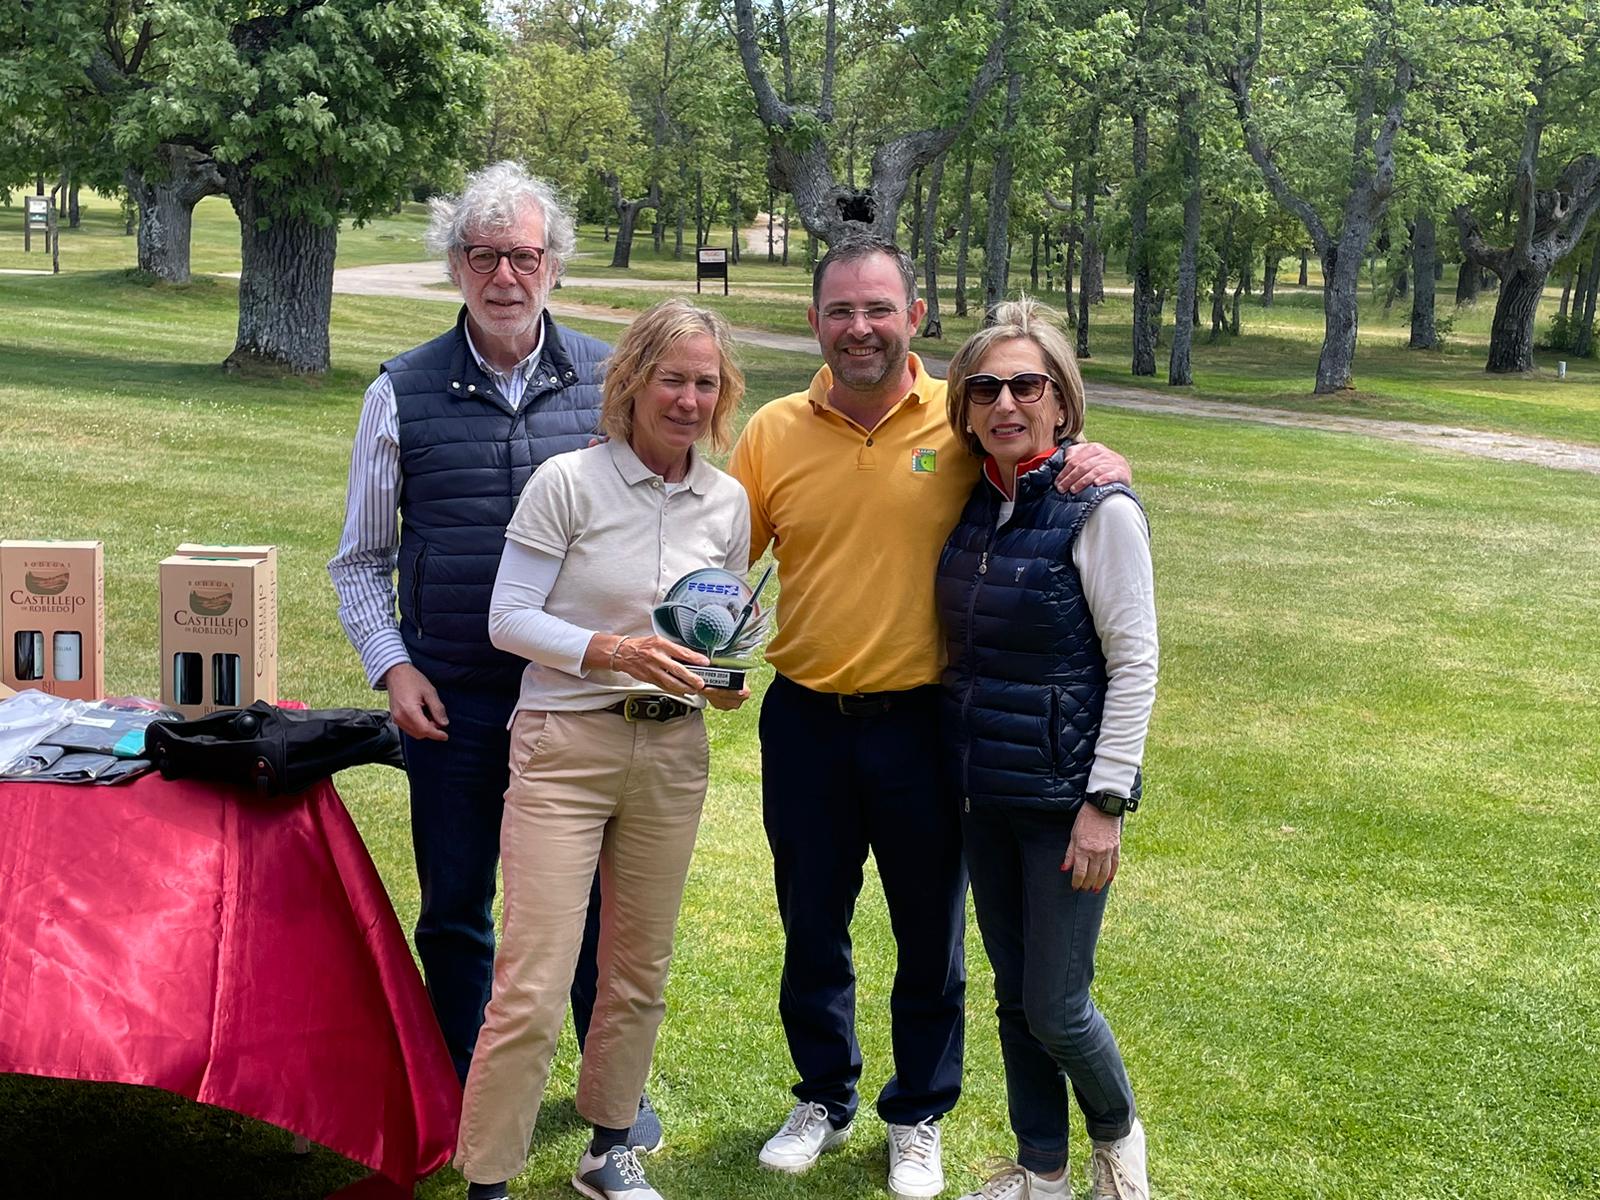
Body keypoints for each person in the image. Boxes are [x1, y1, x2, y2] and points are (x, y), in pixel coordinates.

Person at [726, 235, 1131, 1199]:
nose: (858, 328)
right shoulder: (774, 430)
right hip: (807, 720)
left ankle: (919, 1114)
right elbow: (715, 562)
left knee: (929, 932)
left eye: (878, 309)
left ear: (915, 317)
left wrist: (1096, 455)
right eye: (839, 311)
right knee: (811, 920)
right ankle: (824, 1094)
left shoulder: (959, 419)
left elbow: (1038, 453)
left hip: (926, 724)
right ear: (814, 321)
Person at [329, 161, 658, 1148]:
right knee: (459, 910)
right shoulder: (401, 392)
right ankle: (466, 1094)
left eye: (524, 255)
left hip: (584, 701)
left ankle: (611, 1102)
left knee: (602, 912)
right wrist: (395, 667)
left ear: (554, 262)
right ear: (456, 265)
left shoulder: (616, 380)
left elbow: (667, 521)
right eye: (484, 256)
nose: (505, 275)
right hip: (456, 703)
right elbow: (359, 563)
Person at [453, 299, 751, 1200]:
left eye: (706, 383)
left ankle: (607, 1149)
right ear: (631, 384)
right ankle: (489, 1179)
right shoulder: (568, 482)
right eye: (673, 378)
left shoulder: (727, 501)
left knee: (638, 970)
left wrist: (724, 676)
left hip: (671, 755)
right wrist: (615, 650)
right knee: (535, 983)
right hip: (565, 746)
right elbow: (508, 619)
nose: (688, 399)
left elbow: (715, 630)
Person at [935, 299, 1156, 1200]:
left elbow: (1134, 662)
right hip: (985, 793)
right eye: (984, 388)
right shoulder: (976, 501)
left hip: (1066, 804)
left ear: (1062, 401)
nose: (1005, 402)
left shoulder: (1098, 509)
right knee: (1015, 1000)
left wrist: (1105, 804)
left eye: (1027, 384)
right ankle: (1042, 1174)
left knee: (1059, 1006)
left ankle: (1119, 1145)